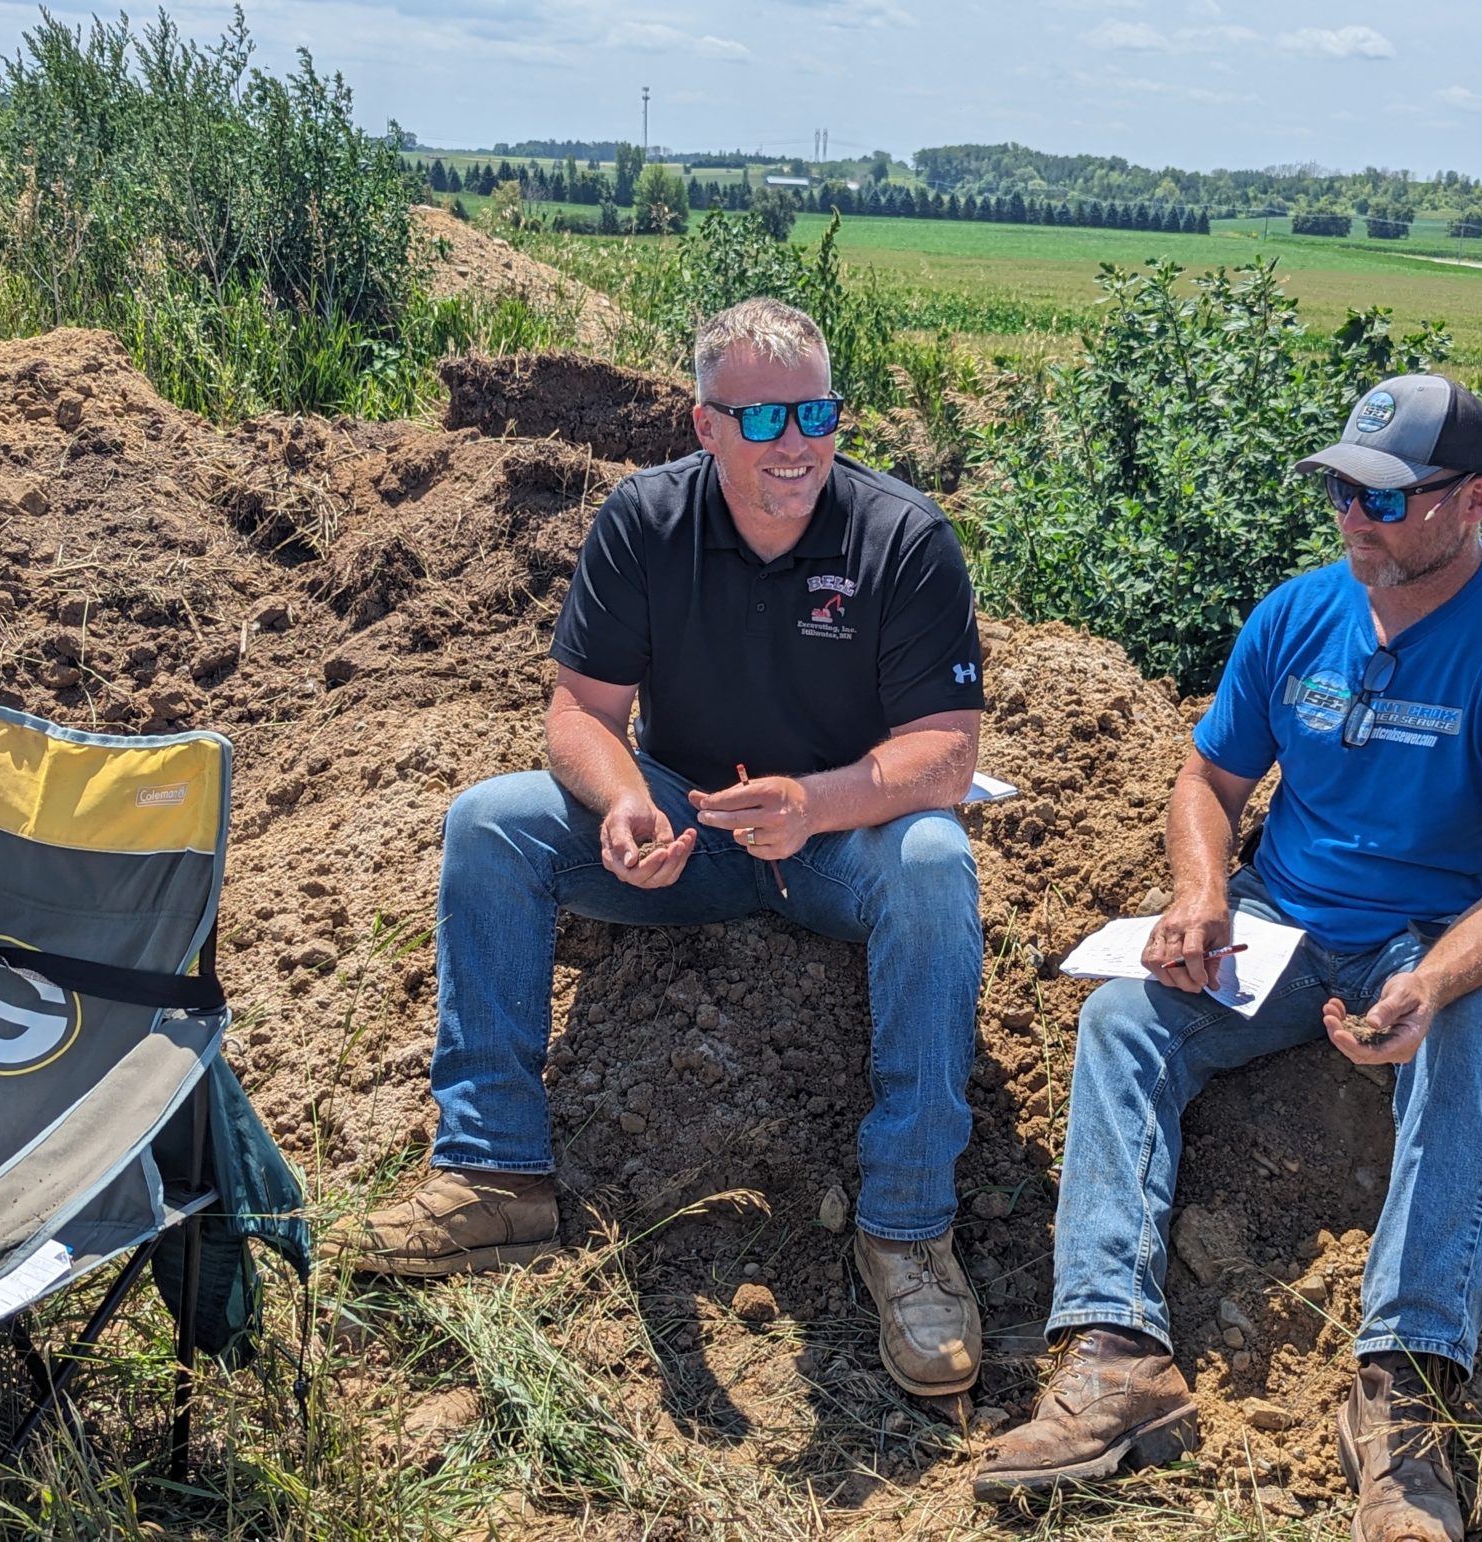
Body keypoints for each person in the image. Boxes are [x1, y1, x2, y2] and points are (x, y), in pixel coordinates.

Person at [974, 375, 1482, 1538]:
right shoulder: (1295, 616)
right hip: (1283, 919)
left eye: (1385, 499)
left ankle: (1402, 1398)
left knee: (1463, 1033)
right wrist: (1200, 892)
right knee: (1122, 1019)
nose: (1351, 518)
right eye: (1339, 492)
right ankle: (1116, 1358)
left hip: (1439, 937)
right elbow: (1207, 780)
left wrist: (1428, 981)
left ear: (1473, 501)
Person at [323, 298, 989, 1400]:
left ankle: (908, 1232)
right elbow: (578, 712)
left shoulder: (901, 538)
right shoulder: (645, 521)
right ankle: (495, 1174)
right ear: (704, 425)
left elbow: (948, 755)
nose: (795, 442)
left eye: (816, 412)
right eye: (763, 418)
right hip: (693, 823)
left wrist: (814, 804)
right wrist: (627, 800)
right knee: (488, 823)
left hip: (841, 836)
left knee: (933, 861)